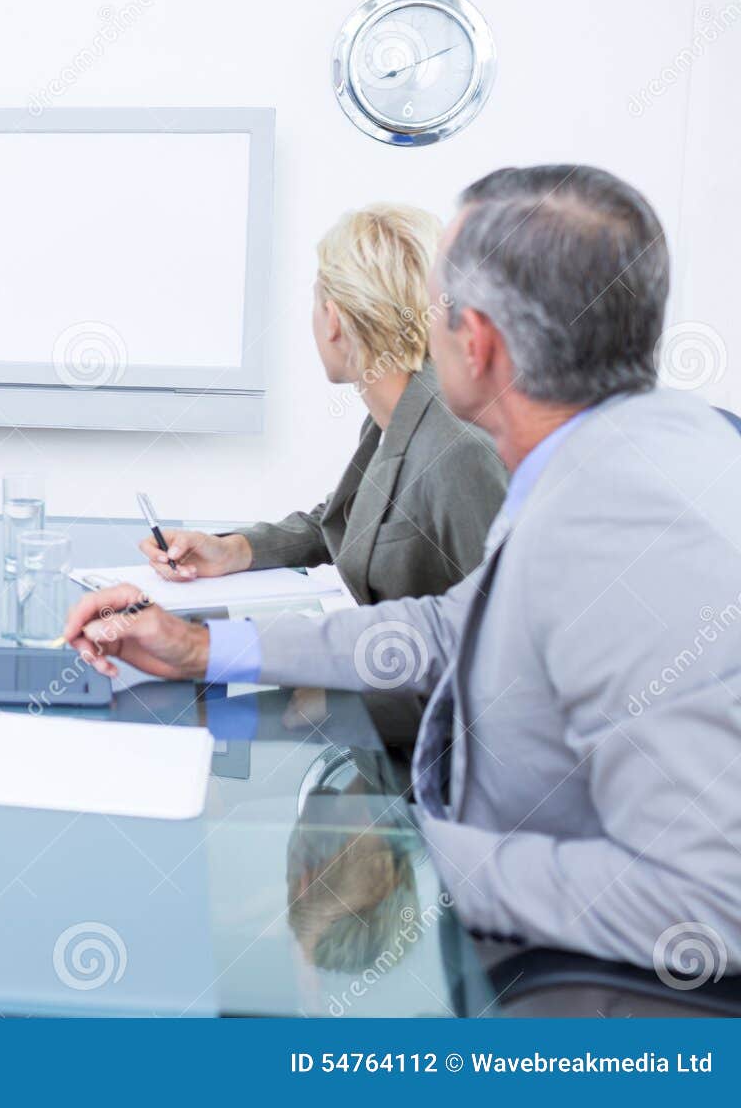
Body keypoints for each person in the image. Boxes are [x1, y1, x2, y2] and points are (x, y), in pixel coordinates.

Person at [65, 166, 741, 984]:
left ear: (474, 340)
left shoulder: (629, 525)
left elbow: (709, 903)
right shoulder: (631, 454)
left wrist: (424, 854)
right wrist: (202, 648)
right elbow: (455, 623)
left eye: (434, 301)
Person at [142, 205, 506, 607]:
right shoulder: (397, 412)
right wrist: (233, 551)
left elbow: (503, 620)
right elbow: (345, 521)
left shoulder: (458, 448)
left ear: (333, 319)